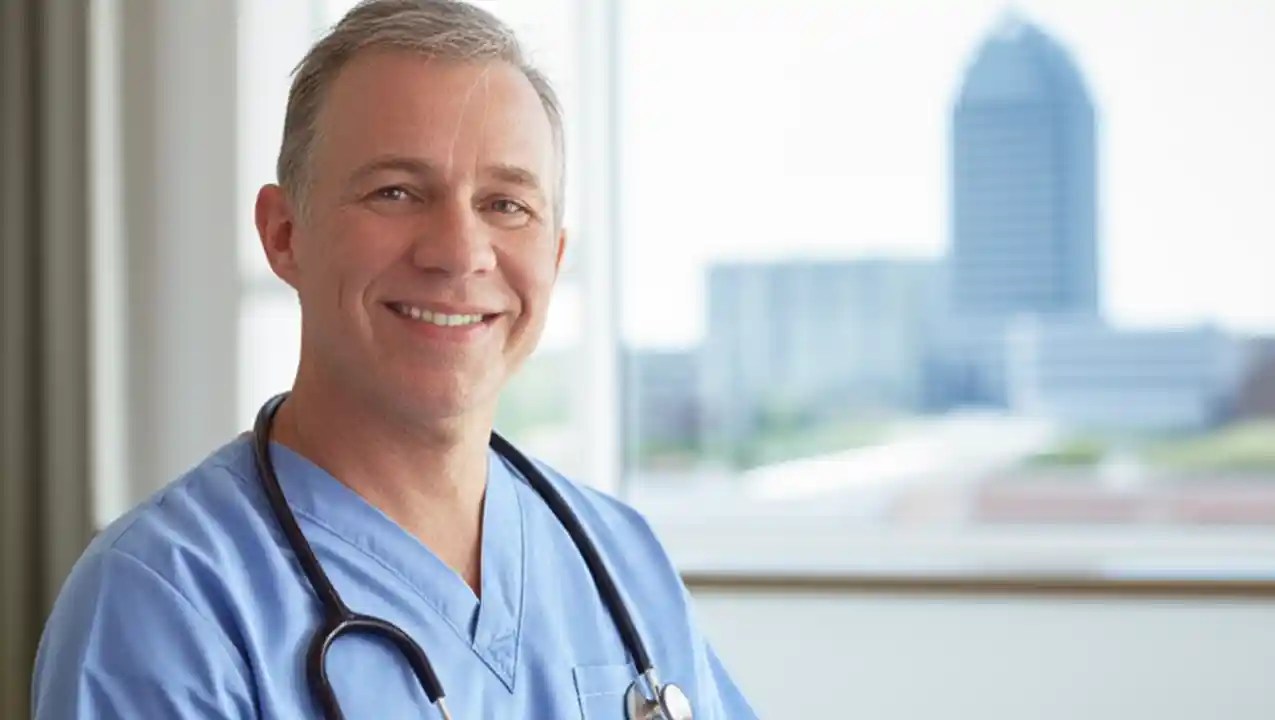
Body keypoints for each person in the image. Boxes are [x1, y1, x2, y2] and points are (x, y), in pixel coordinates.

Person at [31, 1, 757, 717]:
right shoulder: (165, 603)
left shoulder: (621, 563)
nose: (459, 253)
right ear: (285, 234)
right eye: (397, 192)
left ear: (555, 256)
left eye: (507, 205)